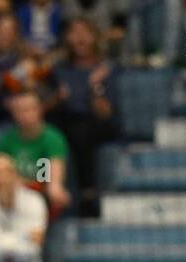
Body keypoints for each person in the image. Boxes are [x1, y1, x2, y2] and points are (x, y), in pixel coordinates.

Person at [47, 16, 120, 218]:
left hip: (98, 123)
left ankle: (87, 194)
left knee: (81, 131)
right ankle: (42, 184)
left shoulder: (106, 69)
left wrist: (95, 86)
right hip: (64, 120)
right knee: (49, 132)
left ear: (95, 37)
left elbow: (105, 112)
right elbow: (43, 106)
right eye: (74, 33)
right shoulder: (60, 69)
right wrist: (57, 98)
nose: (79, 38)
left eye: (84, 33)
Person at [0, 89, 71, 217]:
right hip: (11, 196)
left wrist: (54, 187)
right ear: (13, 113)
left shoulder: (51, 139)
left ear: (40, 109)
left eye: (29, 109)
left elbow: (47, 180)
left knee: (55, 194)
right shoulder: (6, 140)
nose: (25, 115)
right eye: (19, 110)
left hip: (39, 196)